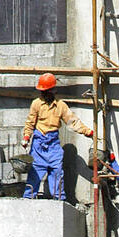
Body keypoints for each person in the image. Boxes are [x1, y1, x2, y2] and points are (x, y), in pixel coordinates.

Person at [22, 73, 94, 201]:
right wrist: (26, 137)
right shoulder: (36, 104)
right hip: (39, 143)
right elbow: (30, 122)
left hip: (53, 144)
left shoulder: (61, 106)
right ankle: (28, 199)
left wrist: (87, 132)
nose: (43, 94)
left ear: (52, 90)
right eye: (42, 91)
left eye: (46, 91)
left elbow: (73, 122)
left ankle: (59, 200)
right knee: (35, 173)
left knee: (57, 172)